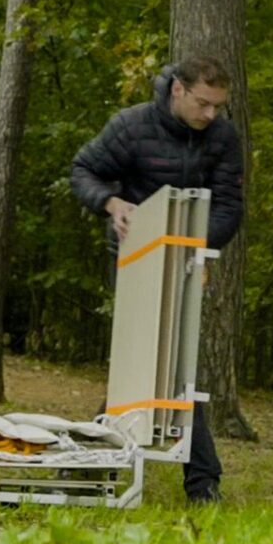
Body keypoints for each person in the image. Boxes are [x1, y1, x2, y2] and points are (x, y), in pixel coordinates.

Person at [69, 56, 244, 504]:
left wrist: (196, 251)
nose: (210, 115)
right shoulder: (132, 125)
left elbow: (229, 204)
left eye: (217, 107)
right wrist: (111, 203)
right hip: (132, 255)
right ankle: (191, 479)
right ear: (178, 91)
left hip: (186, 258)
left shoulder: (223, 137)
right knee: (147, 363)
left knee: (175, 363)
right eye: (203, 104)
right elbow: (82, 170)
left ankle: (195, 481)